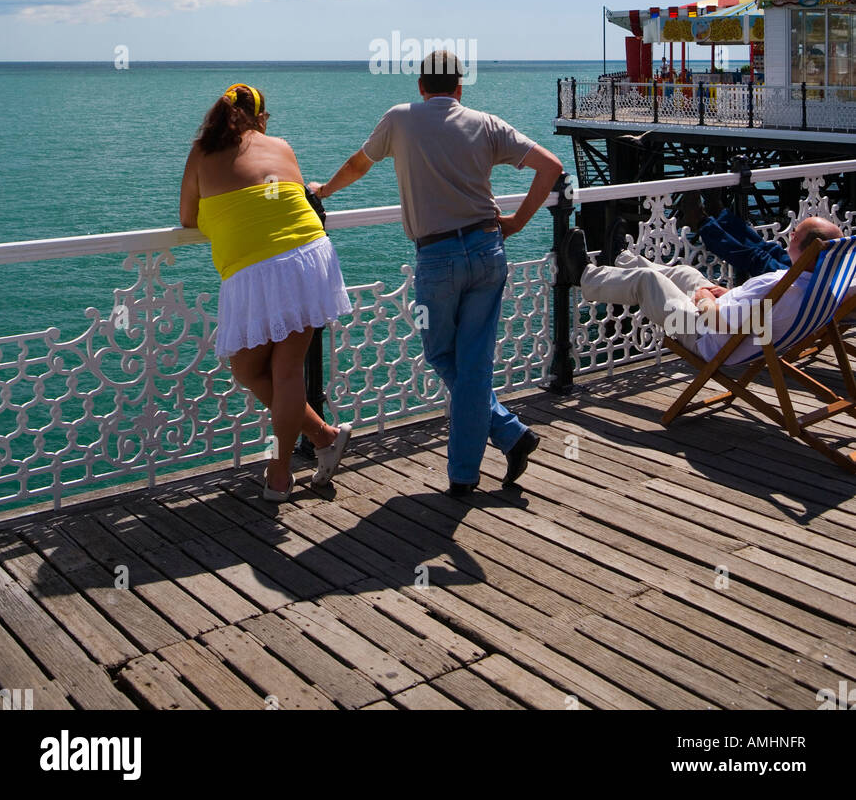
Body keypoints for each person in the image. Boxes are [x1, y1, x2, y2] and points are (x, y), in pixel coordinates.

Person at [309, 51, 563, 496]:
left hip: (437, 258)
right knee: (474, 365)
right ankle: (510, 435)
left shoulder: (400, 119)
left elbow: (359, 164)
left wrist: (323, 190)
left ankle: (466, 474)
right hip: (488, 252)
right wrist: (517, 222)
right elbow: (552, 167)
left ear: (422, 87)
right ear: (460, 89)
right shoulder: (486, 123)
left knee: (443, 356)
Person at [180, 82, 353, 502]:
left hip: (267, 265)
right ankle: (326, 437)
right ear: (261, 118)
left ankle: (279, 473)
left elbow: (187, 217)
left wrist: (229, 213)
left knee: (283, 370)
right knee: (249, 368)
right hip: (299, 259)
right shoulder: (281, 146)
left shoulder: (202, 152)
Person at [566, 216, 845, 367]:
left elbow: (720, 322)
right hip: (746, 334)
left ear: (807, 248)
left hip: (706, 337)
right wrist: (724, 293)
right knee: (687, 273)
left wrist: (707, 300)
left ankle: (583, 275)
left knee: (648, 282)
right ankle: (622, 259)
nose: (791, 235)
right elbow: (762, 317)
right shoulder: (822, 287)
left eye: (796, 234)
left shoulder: (783, 287)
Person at [679, 192, 789, 279]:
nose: (792, 234)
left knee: (757, 261)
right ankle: (721, 217)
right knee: (771, 251)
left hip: (797, 283)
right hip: (803, 274)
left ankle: (702, 222)